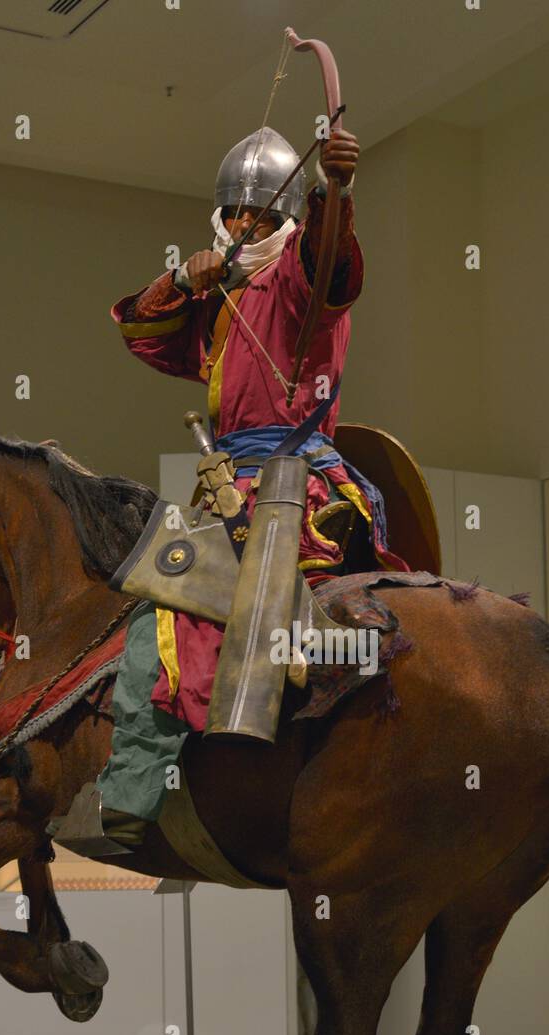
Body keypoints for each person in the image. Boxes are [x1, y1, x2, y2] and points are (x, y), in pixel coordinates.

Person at [62, 123, 405, 854]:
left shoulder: (296, 283)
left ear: (284, 222)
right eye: (236, 215)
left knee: (164, 621)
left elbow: (331, 263)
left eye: (263, 216)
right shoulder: (225, 298)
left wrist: (332, 193)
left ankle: (133, 798)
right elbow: (145, 336)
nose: (247, 226)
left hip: (288, 484)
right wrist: (187, 281)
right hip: (233, 484)